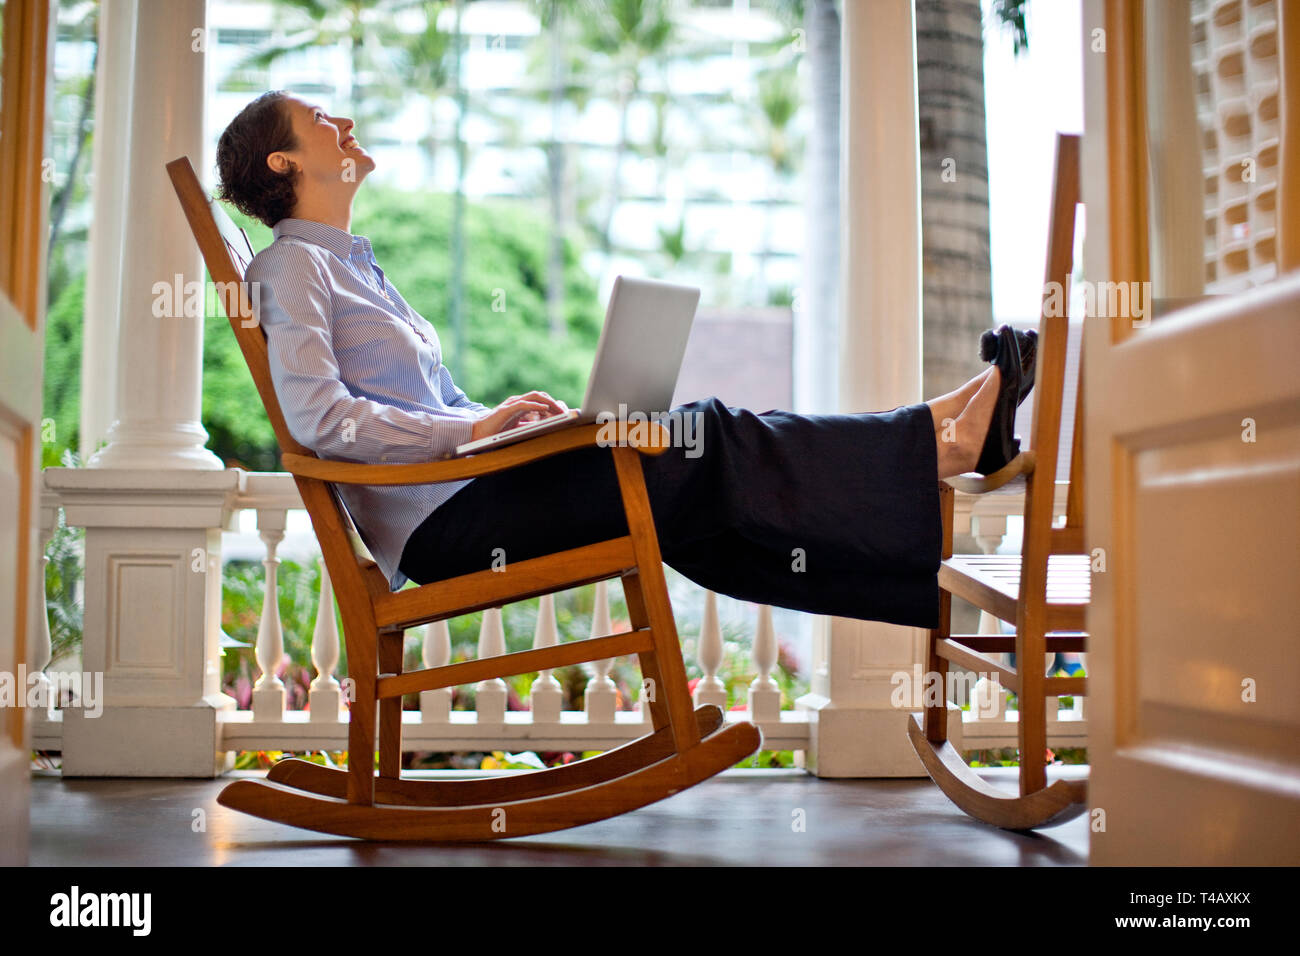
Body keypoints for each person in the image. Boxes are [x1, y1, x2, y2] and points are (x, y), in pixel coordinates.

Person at [216, 91, 1035, 629]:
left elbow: (401, 407)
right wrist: (468, 436)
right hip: (447, 524)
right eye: (320, 117)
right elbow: (319, 423)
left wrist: (498, 426)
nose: (345, 123)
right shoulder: (291, 266)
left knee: (698, 503)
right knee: (695, 438)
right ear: (283, 163)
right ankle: (943, 439)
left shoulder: (353, 262)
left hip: (473, 488)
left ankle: (921, 558)